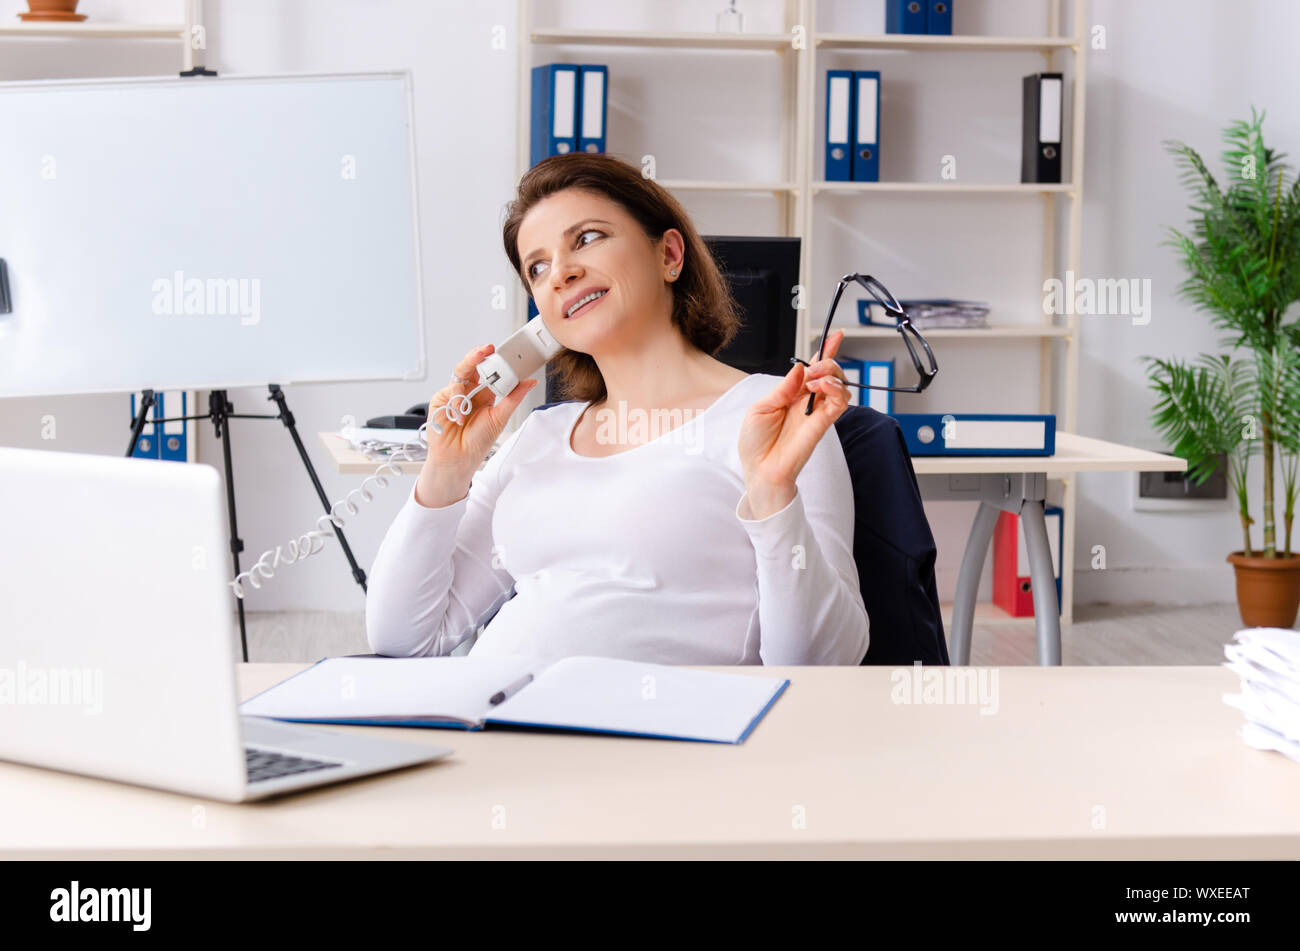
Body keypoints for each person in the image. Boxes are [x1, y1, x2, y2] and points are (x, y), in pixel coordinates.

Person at [366, 153, 868, 665]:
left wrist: (773, 495)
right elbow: (404, 638)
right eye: (537, 267)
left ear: (670, 255)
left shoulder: (771, 417)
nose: (561, 273)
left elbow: (818, 667)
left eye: (586, 238)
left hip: (660, 736)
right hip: (491, 722)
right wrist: (446, 473)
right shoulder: (538, 437)